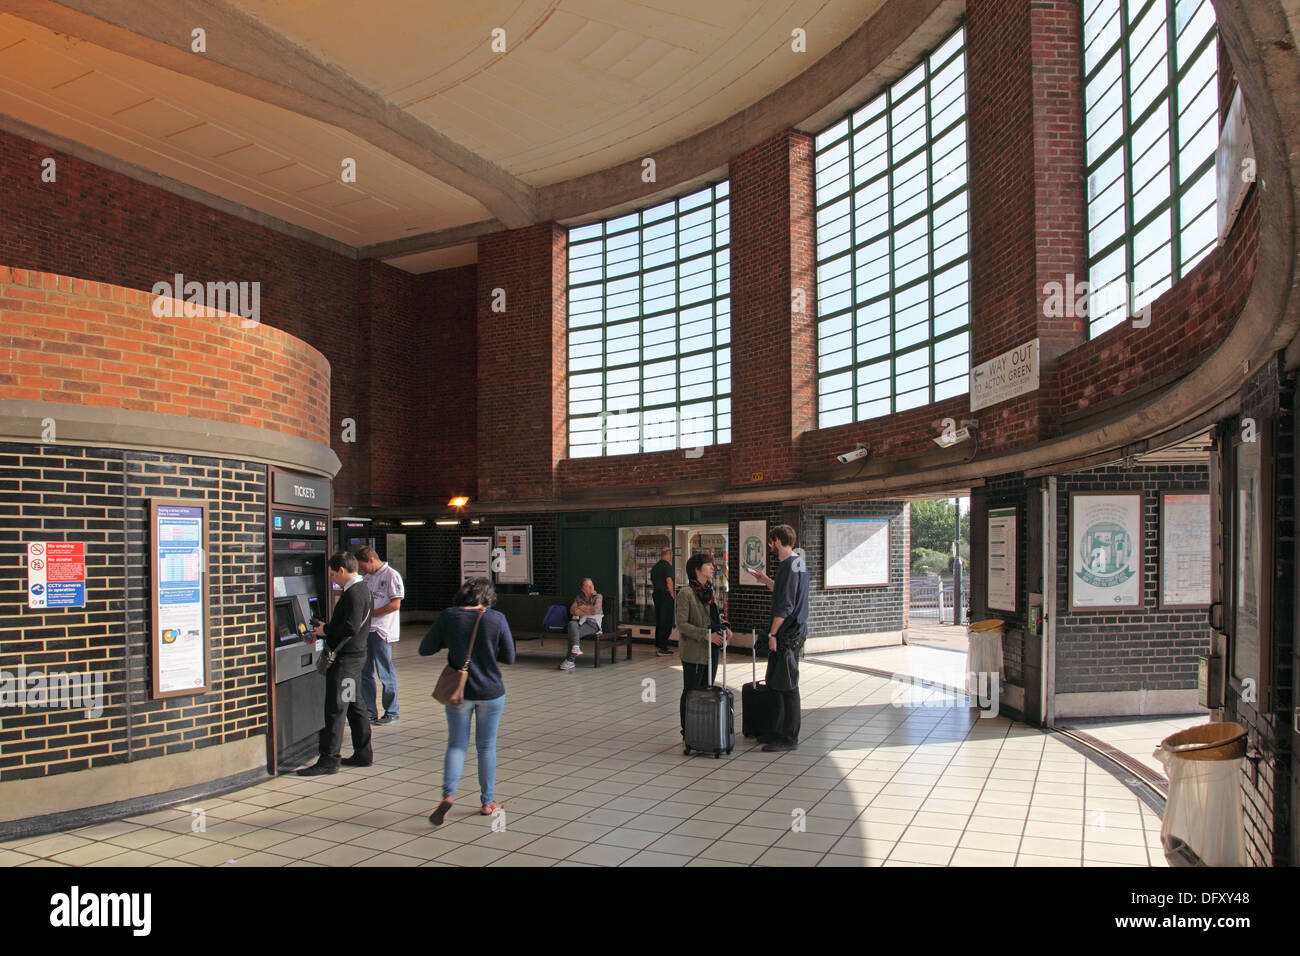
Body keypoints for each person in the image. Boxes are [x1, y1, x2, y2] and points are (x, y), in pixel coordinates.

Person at [419, 576, 515, 824]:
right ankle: (487, 802)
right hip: (491, 692)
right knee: (486, 747)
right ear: (488, 597)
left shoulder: (449, 616)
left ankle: (448, 795)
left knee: (456, 745)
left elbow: (425, 648)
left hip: (459, 693)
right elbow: (509, 657)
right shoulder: (497, 618)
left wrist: (450, 642)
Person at [298, 551, 373, 775]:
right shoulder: (362, 589)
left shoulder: (354, 593)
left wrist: (326, 630)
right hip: (356, 657)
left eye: (332, 574)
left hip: (347, 660)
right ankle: (363, 752)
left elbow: (350, 627)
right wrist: (324, 631)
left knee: (336, 708)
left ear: (341, 570)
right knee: (355, 704)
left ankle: (329, 759)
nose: (332, 579)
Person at [748, 524, 809, 752]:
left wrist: (773, 633)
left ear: (778, 540)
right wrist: (766, 580)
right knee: (775, 682)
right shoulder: (795, 564)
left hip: (787, 634)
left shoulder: (790, 566)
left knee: (787, 685)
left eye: (772, 541)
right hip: (792, 631)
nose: (770, 545)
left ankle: (788, 736)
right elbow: (786, 591)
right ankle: (776, 730)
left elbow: (785, 605)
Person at [674, 552, 728, 737]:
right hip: (694, 652)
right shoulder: (686, 593)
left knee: (707, 689)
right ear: (697, 570)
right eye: (708, 565)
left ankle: (703, 726)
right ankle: (688, 729)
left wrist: (724, 627)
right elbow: (681, 624)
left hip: (711, 650)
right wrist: (705, 635)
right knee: (691, 691)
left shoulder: (709, 591)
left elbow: (713, 618)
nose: (713, 568)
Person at [355, 545, 403, 724]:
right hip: (366, 630)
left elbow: (395, 604)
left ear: (371, 560)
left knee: (384, 671)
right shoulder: (367, 578)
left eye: (363, 566)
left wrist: (372, 613)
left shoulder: (392, 575)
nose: (362, 570)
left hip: (382, 631)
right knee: (365, 672)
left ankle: (391, 711)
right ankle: (369, 711)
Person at [558, 577, 601, 671]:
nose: (591, 587)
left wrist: (581, 607)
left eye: (592, 585)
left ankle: (570, 661)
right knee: (572, 624)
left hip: (593, 625)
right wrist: (587, 609)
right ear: (583, 589)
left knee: (573, 634)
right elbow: (572, 610)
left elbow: (595, 610)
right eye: (588, 586)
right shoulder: (579, 597)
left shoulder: (598, 597)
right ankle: (576, 648)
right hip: (580, 623)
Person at [650, 547, 675, 657]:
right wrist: (672, 595)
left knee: (659, 620)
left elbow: (653, 584)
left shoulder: (655, 567)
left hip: (656, 594)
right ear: (668, 555)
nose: (671, 557)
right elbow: (669, 581)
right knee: (667, 621)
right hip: (665, 595)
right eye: (671, 555)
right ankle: (663, 647)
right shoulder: (667, 566)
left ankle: (659, 645)